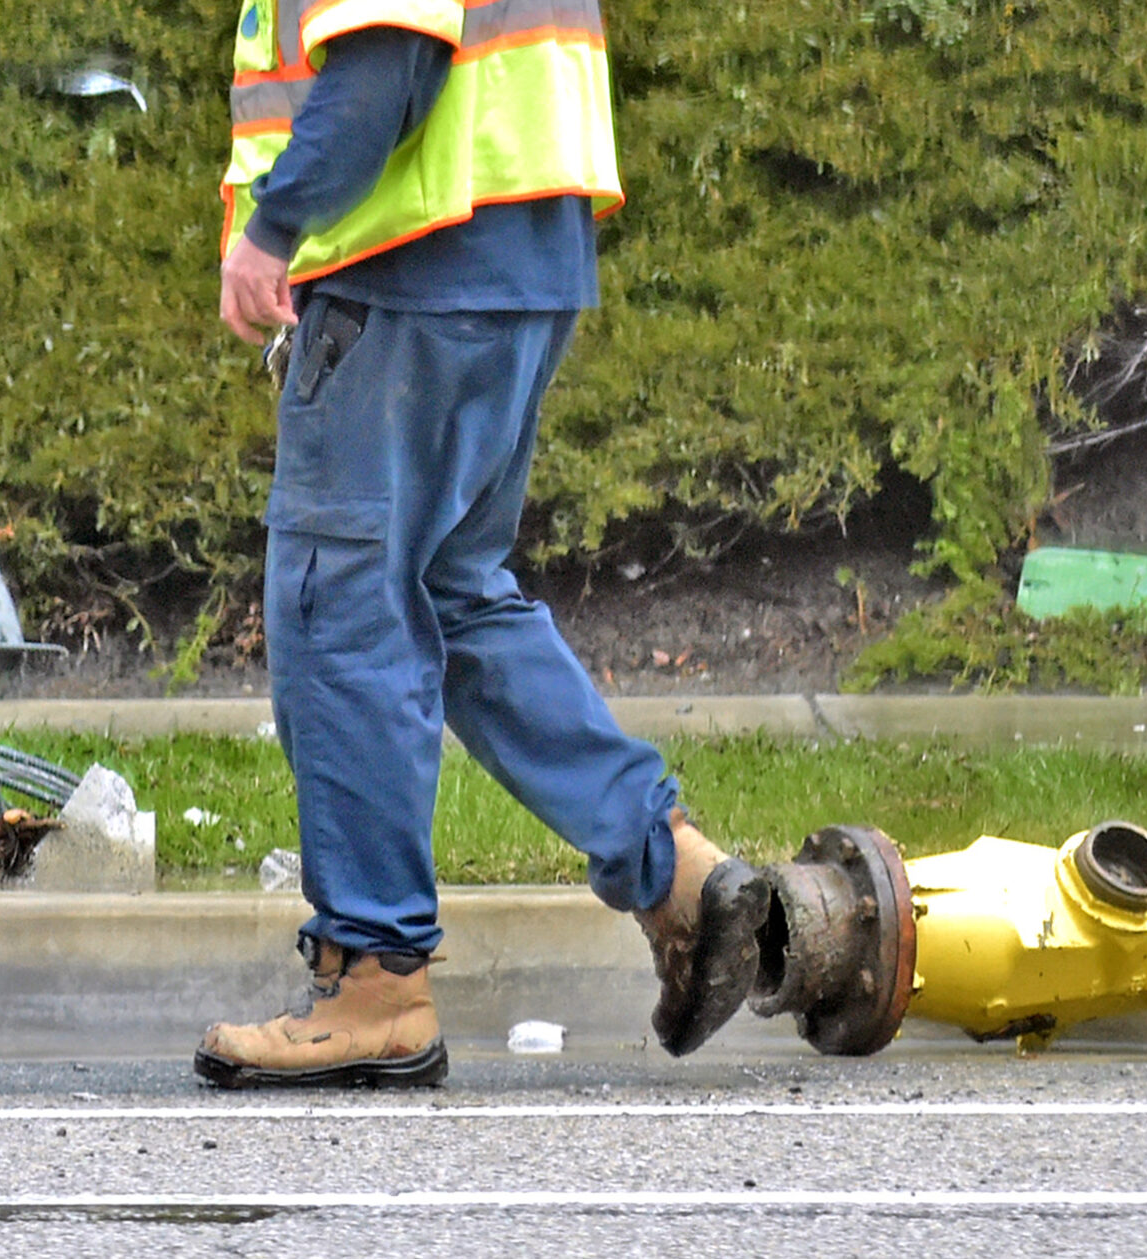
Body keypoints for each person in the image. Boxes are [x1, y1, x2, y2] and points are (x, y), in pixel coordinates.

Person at [195, 0, 770, 1089]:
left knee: (341, 606)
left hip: (411, 266)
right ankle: (678, 877)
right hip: (509, 261)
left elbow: (386, 64)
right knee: (451, 594)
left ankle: (372, 978)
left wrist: (273, 229)